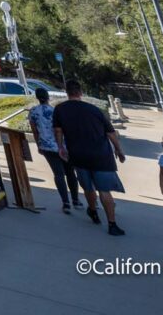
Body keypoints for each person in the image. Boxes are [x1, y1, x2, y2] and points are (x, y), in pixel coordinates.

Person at [53, 79, 128, 236]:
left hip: (78, 154)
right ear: (80, 92)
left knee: (88, 187)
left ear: (67, 93)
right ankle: (112, 224)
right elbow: (110, 132)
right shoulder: (94, 109)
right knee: (104, 190)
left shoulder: (60, 109)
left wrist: (60, 147)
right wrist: (118, 149)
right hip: (101, 154)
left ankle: (93, 210)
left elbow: (58, 131)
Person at [28, 87, 82, 212]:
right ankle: (75, 200)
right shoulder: (56, 110)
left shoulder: (33, 112)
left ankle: (65, 203)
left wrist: (38, 145)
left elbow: (35, 131)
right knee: (70, 173)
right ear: (48, 97)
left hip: (46, 146)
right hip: (63, 145)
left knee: (58, 174)